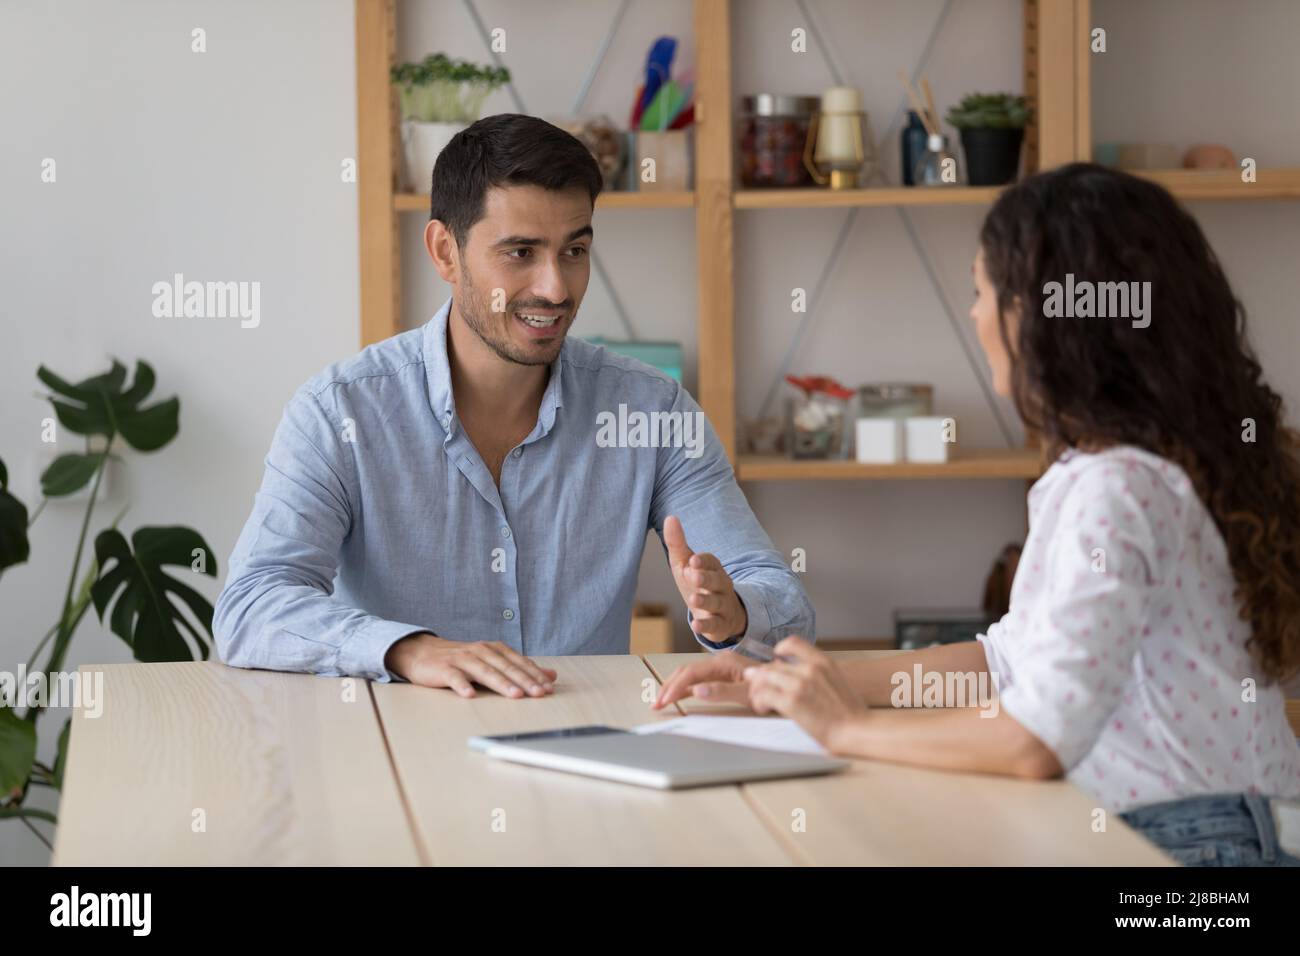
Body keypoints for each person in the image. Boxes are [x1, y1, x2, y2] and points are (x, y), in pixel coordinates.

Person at [655, 163, 1300, 866]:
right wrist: (787, 683)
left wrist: (845, 729)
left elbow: (1035, 739)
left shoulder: (1119, 488)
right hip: (1191, 834)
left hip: (1201, 852)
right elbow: (1008, 662)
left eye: (982, 291)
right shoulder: (1128, 472)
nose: (974, 314)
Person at [214, 113, 813, 698]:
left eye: (573, 251)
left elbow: (786, 607)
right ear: (445, 251)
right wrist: (409, 649)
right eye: (521, 253)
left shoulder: (652, 414)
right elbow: (251, 607)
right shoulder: (339, 413)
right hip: (396, 759)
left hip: (586, 759)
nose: (555, 288)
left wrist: (734, 613)